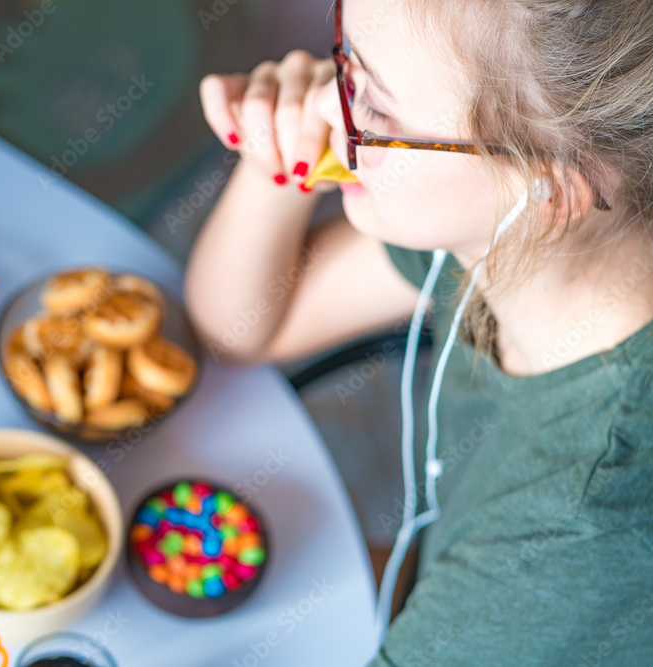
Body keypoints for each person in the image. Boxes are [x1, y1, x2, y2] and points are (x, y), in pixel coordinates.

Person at [185, 0, 653, 663]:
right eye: (341, 56)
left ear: (551, 188)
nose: (327, 103)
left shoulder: (574, 541)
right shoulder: (499, 230)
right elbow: (242, 325)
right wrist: (280, 158)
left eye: (372, 107)